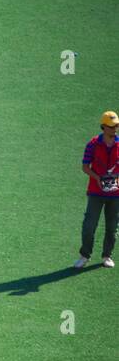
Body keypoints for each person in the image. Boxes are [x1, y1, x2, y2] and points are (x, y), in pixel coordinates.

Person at [74, 110, 119, 269]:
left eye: (116, 126)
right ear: (103, 127)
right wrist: (98, 178)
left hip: (116, 194)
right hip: (96, 192)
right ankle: (85, 255)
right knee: (89, 225)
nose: (115, 129)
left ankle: (107, 255)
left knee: (112, 227)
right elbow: (85, 167)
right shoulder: (92, 144)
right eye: (111, 126)